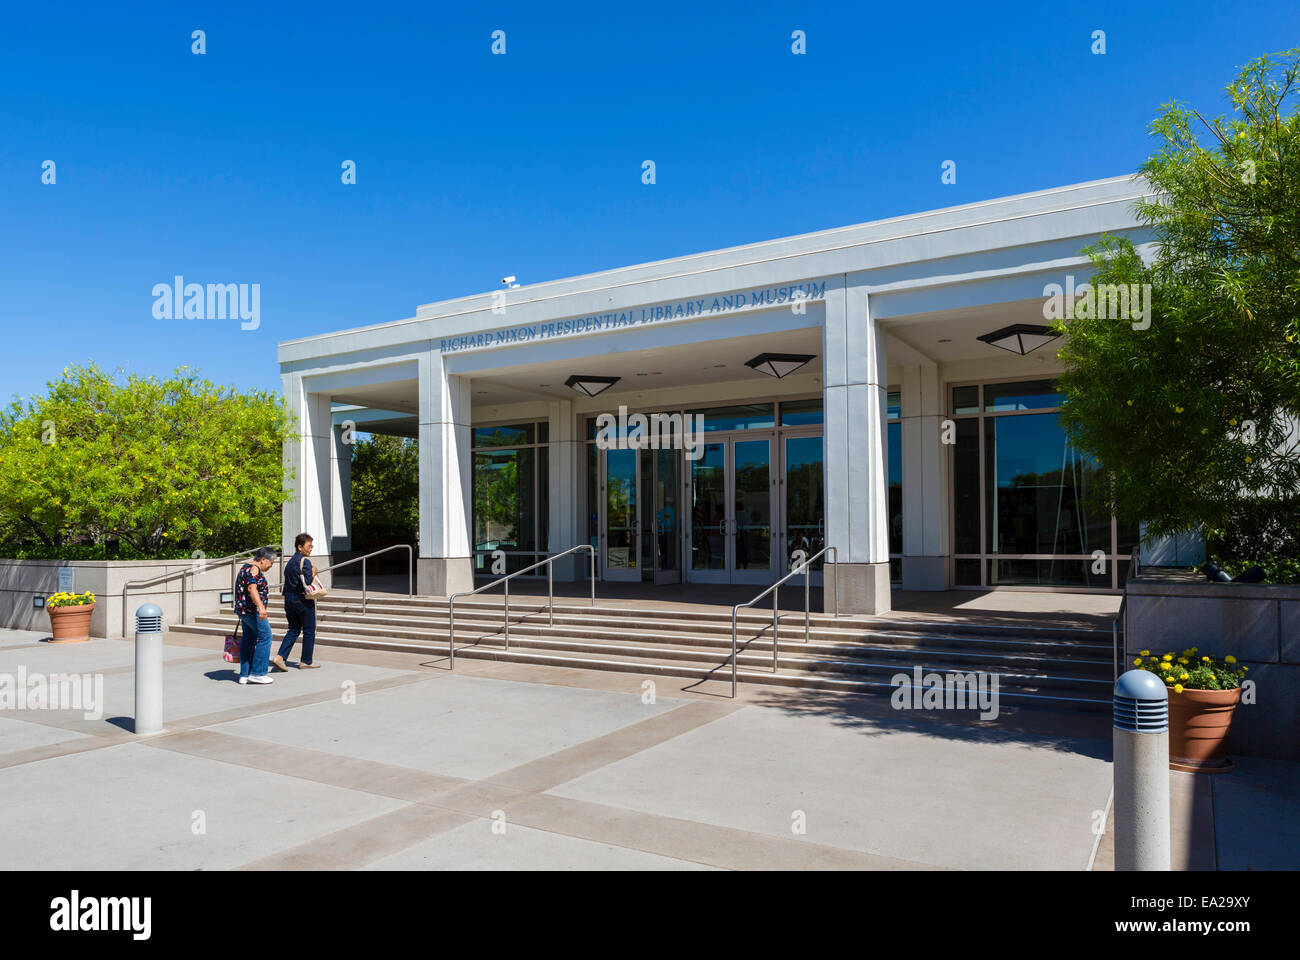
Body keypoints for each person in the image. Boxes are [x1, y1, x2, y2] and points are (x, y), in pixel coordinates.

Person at [273, 532, 319, 671]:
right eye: (309, 546)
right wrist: (313, 572)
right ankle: (306, 661)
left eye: (312, 546)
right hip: (302, 600)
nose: (311, 549)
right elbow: (308, 580)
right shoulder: (305, 561)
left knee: (293, 629)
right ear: (300, 547)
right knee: (309, 630)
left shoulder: (290, 562)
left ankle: (280, 657)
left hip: (289, 599)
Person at [234, 547, 277, 685]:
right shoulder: (254, 569)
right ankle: (258, 673)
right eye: (271, 562)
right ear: (263, 560)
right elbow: (252, 589)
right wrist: (261, 607)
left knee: (249, 639)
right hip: (253, 612)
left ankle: (244, 675)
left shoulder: (245, 567)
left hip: (244, 611)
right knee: (266, 637)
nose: (271, 566)